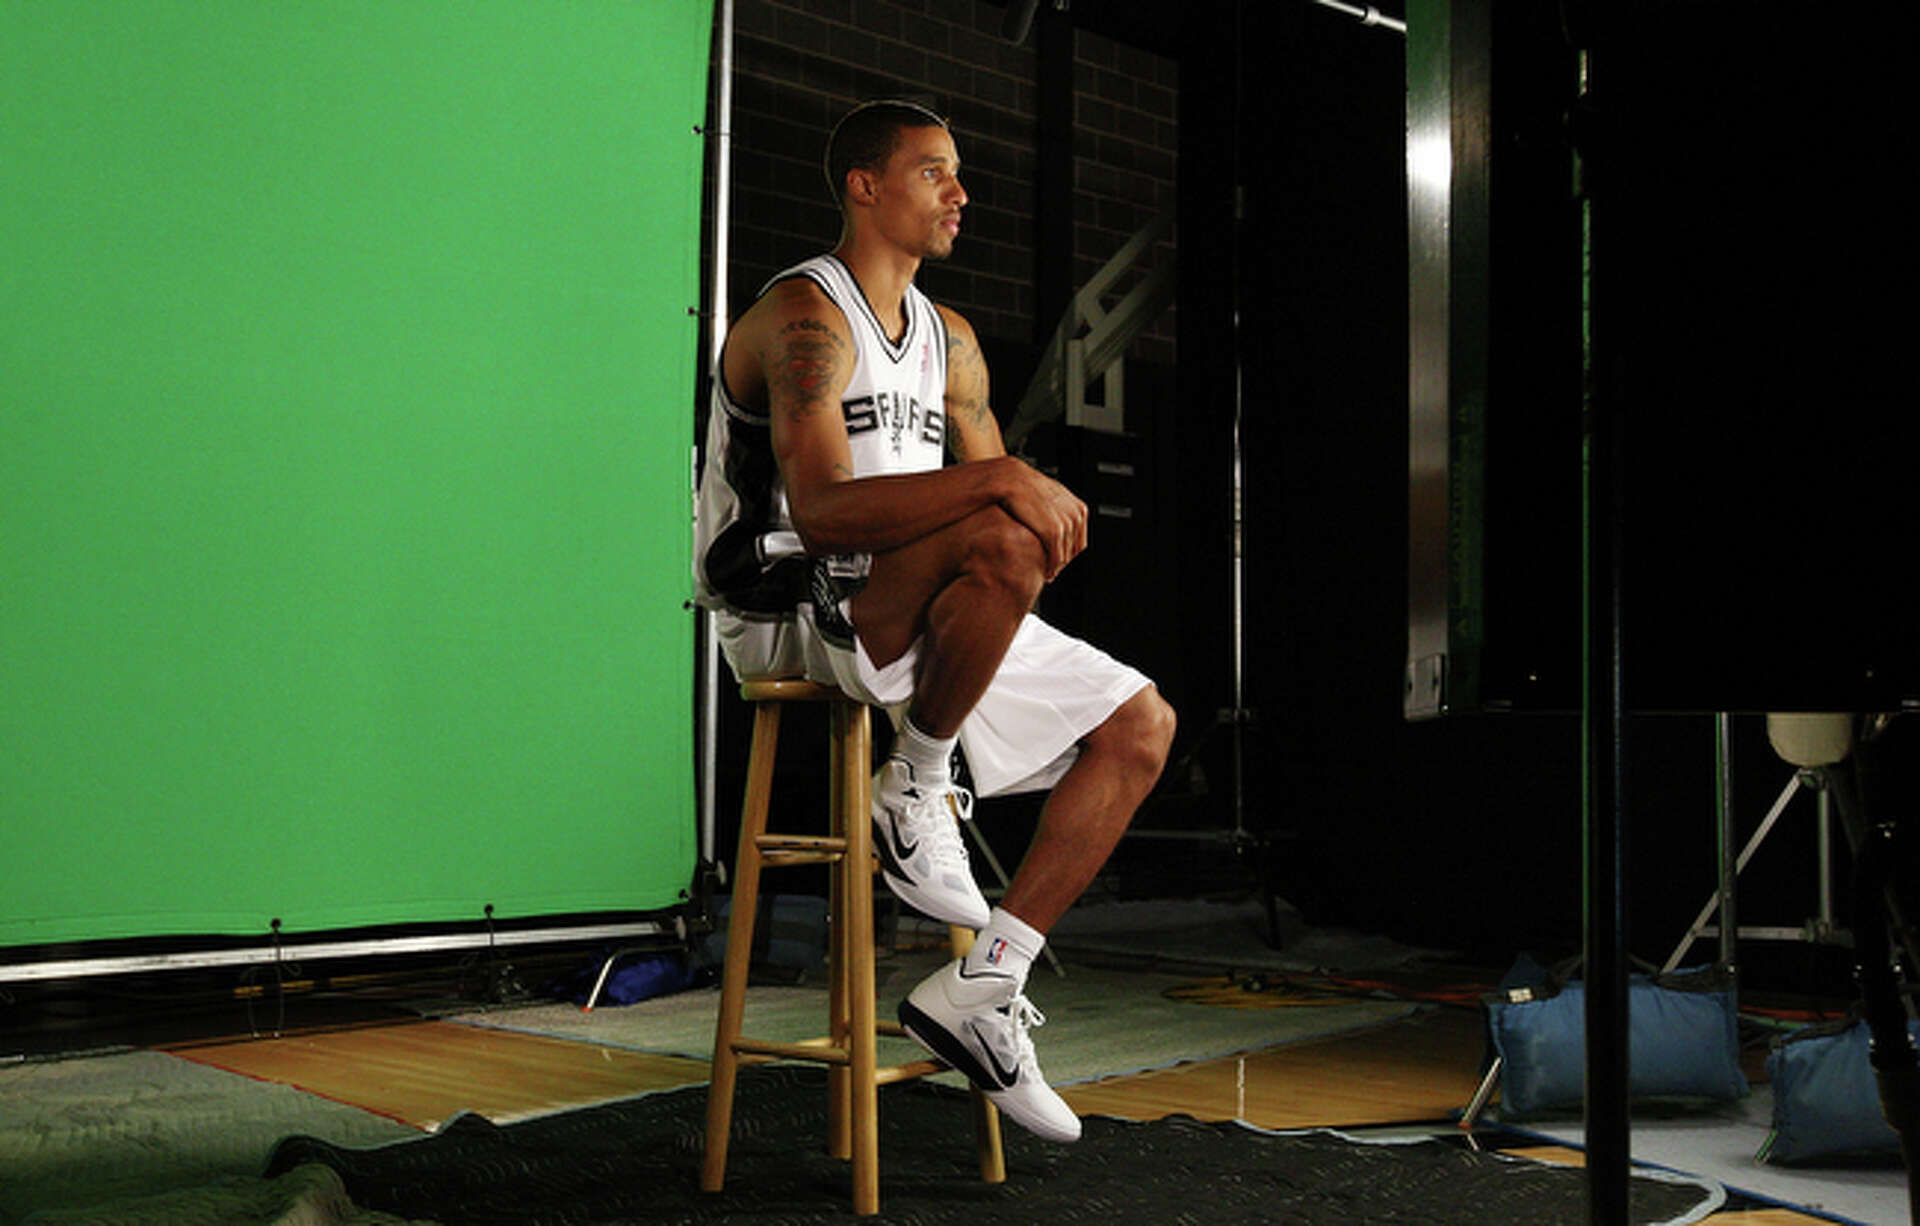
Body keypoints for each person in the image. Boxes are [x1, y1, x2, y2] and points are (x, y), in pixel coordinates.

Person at [693, 99, 1176, 1143]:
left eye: (957, 175)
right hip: (790, 598)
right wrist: (1005, 482)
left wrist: (1012, 496)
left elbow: (1005, 505)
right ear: (864, 186)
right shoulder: (803, 317)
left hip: (912, 594)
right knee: (1001, 533)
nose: (960, 192)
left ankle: (984, 990)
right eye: (934, 172)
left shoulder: (951, 342)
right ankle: (914, 783)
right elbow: (820, 510)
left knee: (1143, 723)